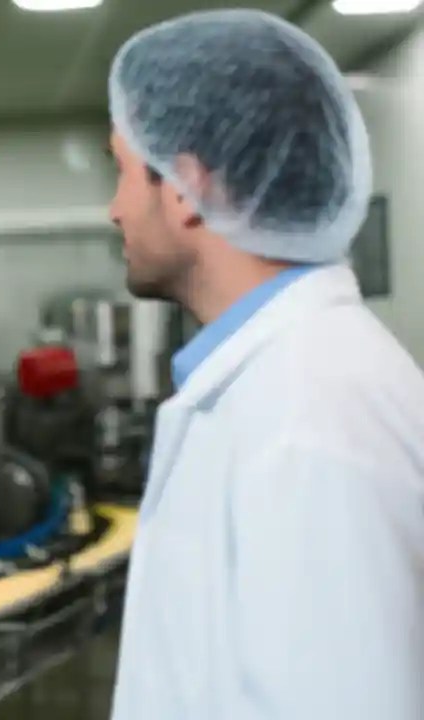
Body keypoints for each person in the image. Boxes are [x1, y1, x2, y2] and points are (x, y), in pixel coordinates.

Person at [105, 9, 424, 719]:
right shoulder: (283, 386)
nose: (114, 208)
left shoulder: (313, 419)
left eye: (123, 171)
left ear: (189, 186)